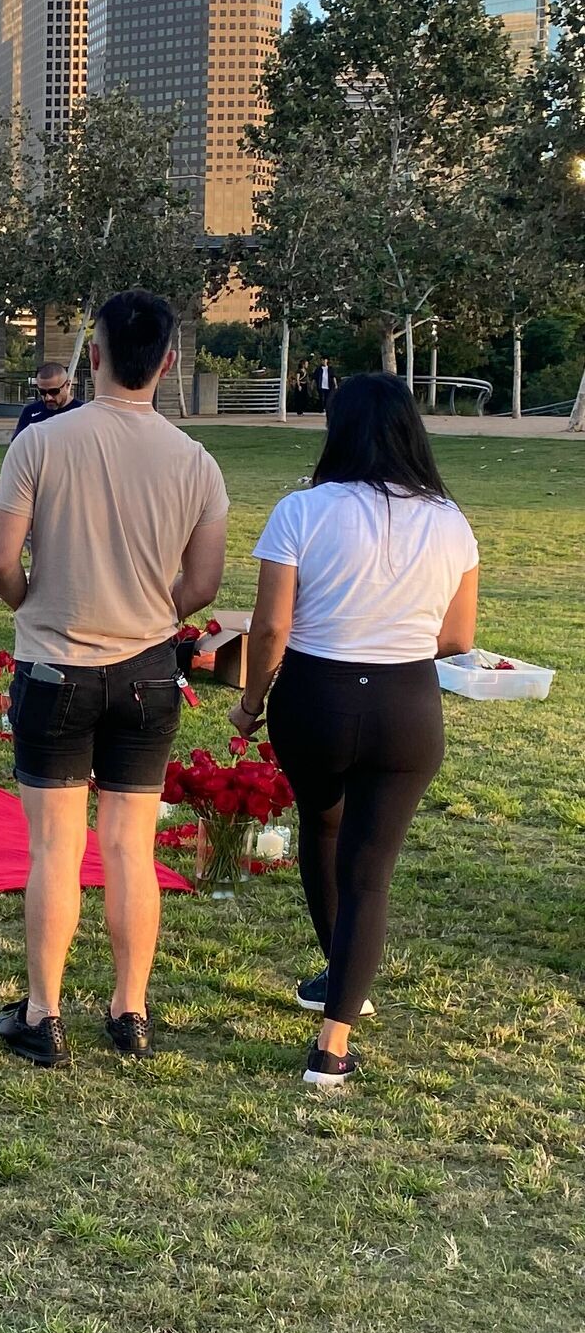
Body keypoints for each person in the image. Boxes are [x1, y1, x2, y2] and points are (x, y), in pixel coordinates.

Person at [0, 290, 229, 1067]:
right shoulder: (195, 461)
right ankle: (130, 1011)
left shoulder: (42, 444)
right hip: (149, 673)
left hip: (56, 667)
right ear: (168, 362)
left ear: (93, 357)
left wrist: (32, 602)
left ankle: (43, 1014)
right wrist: (156, 610)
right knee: (130, 847)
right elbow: (206, 583)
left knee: (55, 849)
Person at [228, 374, 478, 1089]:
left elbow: (271, 627)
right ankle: (333, 1040)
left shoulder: (302, 509)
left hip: (315, 697)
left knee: (324, 830)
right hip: (406, 703)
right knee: (372, 873)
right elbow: (458, 636)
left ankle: (343, 977)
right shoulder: (450, 520)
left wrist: (249, 705)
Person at [11, 362, 84, 440]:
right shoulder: (30, 411)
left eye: (54, 392)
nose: (48, 398)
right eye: (42, 392)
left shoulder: (82, 411)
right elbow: (17, 444)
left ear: (67, 385)